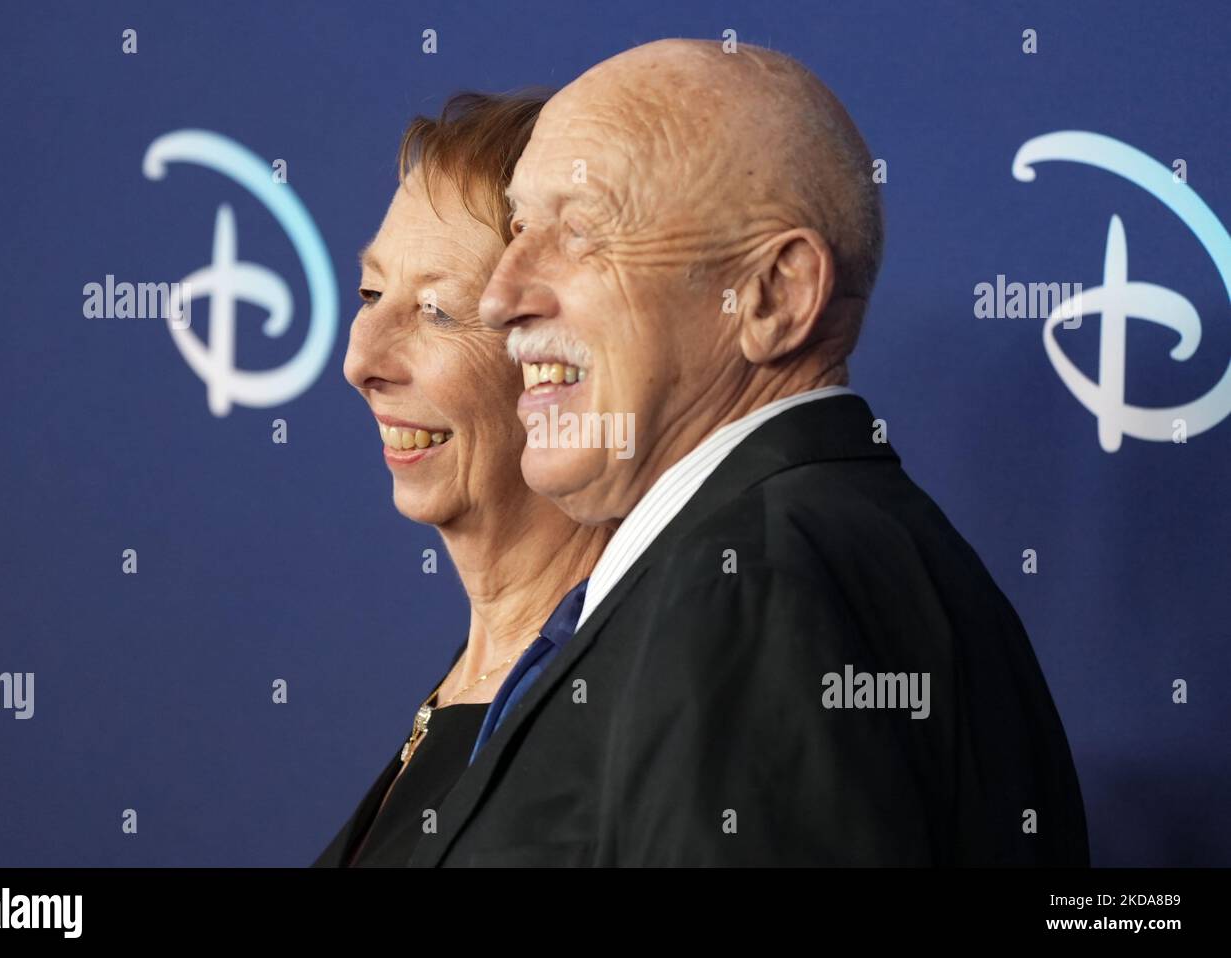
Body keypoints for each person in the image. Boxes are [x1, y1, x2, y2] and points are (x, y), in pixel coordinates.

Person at [408, 39, 1090, 866]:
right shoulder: (828, 552)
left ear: (774, 297)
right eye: (519, 229)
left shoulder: (750, 585)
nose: (500, 294)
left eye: (581, 231)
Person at [313, 91, 609, 867]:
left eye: (440, 312)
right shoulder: (469, 677)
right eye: (371, 294)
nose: (359, 362)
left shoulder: (626, 702)